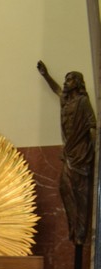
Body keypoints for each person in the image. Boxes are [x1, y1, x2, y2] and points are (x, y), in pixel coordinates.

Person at [36, 61, 96, 245]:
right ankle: (73, 227)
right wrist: (45, 75)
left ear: (77, 83)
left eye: (69, 79)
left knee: (81, 193)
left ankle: (81, 231)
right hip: (69, 153)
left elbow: (92, 126)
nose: (66, 82)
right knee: (64, 188)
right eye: (66, 79)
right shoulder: (66, 101)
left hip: (81, 153)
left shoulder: (83, 102)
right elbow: (56, 90)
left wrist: (91, 150)